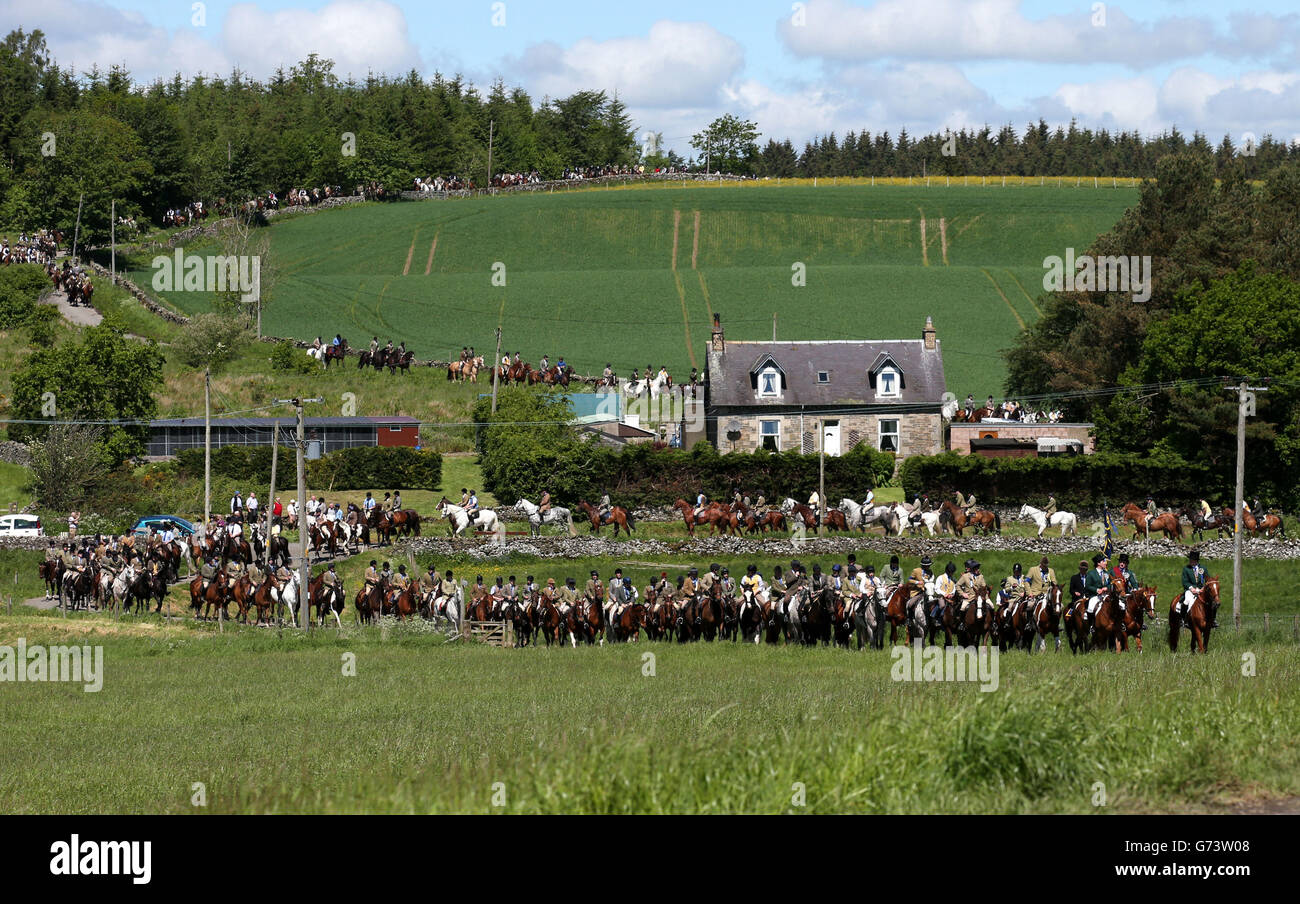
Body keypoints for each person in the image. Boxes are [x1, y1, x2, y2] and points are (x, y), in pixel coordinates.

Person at [1180, 550, 1209, 621]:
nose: (1190, 561)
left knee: (1211, 601)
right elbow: (1185, 581)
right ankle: (1184, 618)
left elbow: (1208, 579)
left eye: (1192, 560)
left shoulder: (1203, 568)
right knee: (1187, 600)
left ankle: (1212, 619)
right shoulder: (1186, 569)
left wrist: (1203, 588)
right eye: (1190, 560)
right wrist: (1191, 588)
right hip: (1190, 590)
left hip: (1201, 590)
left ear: (1196, 560)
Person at [1083, 553, 1111, 629]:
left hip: (1106, 595)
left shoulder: (1106, 573)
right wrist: (1096, 590)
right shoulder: (1091, 574)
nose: (1106, 563)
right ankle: (1092, 625)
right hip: (1095, 596)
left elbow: (1110, 584)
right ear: (1098, 563)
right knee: (1091, 607)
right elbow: (1087, 586)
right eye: (1104, 561)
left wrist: (1107, 588)